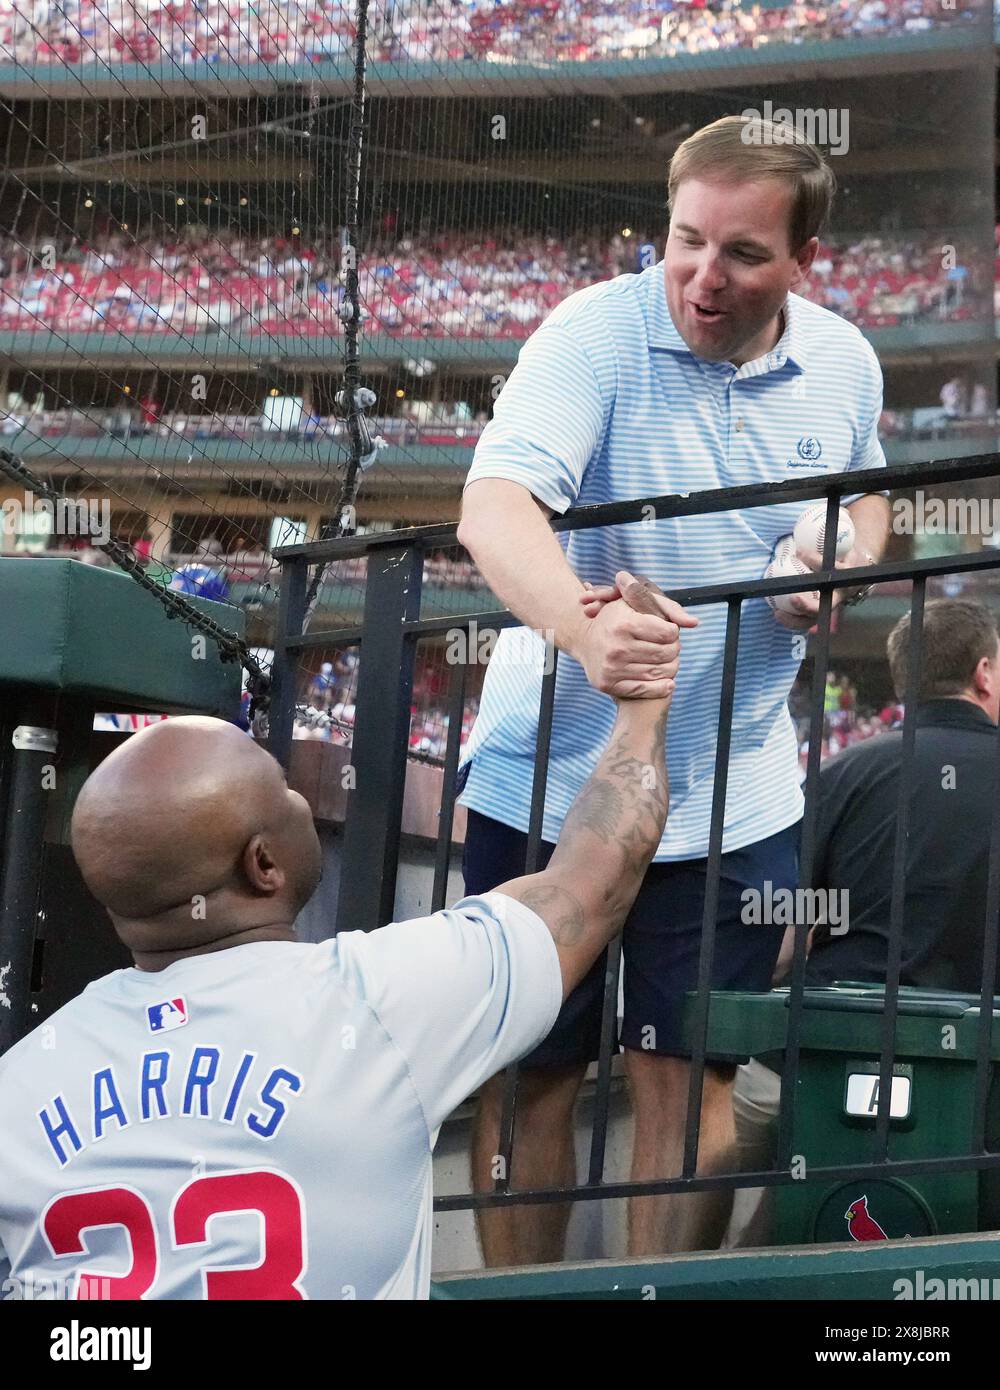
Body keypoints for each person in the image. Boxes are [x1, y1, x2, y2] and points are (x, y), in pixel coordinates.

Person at [455, 113, 890, 1263]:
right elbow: (493, 506)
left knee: (685, 1072)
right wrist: (579, 629)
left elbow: (863, 502)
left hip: (734, 794)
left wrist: (826, 557)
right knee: (531, 1072)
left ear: (802, 261)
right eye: (684, 239)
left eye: (744, 253)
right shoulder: (592, 334)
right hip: (546, 776)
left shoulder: (844, 359)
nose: (703, 275)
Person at [0, 573, 680, 1301]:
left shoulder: (22, 1082)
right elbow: (593, 882)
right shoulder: (380, 1001)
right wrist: (642, 709)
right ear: (262, 865)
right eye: (282, 788)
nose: (300, 795)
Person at [728, 598, 1000, 1247]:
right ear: (985, 674)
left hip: (830, 1046)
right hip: (983, 1060)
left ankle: (704, 1277)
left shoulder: (842, 771)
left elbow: (784, 930)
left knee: (782, 1199)